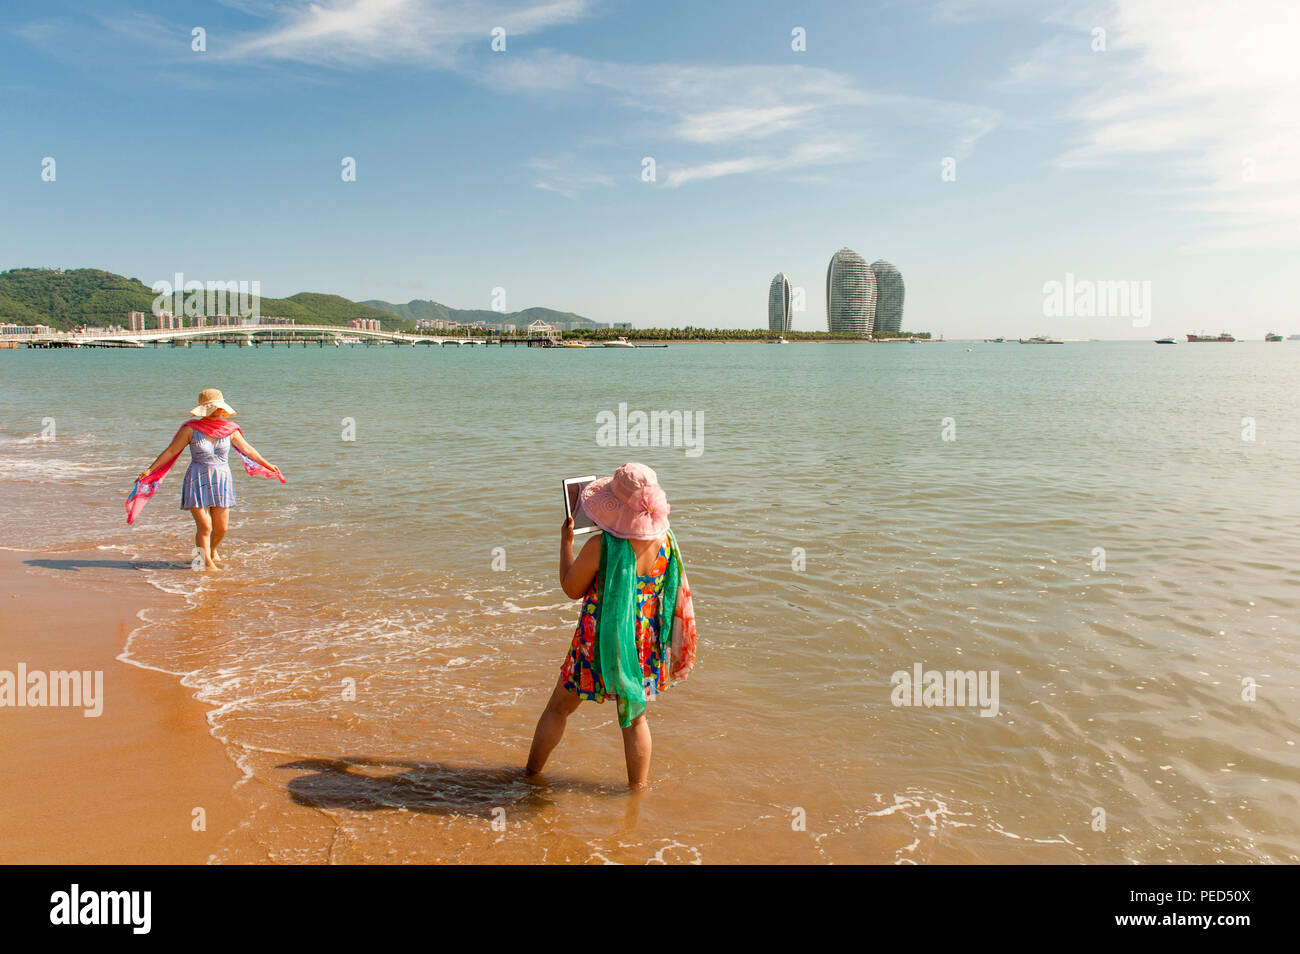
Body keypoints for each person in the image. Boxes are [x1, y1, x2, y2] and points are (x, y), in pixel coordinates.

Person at [526, 462, 697, 789]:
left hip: (597, 641)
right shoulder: (665, 540)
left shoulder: (600, 546)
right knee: (635, 719)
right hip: (641, 644)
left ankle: (529, 777)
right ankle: (637, 793)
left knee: (558, 709)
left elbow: (571, 588)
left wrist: (565, 544)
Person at [129, 388, 283, 570]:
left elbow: (248, 450)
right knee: (205, 527)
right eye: (215, 408)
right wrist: (150, 469)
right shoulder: (190, 429)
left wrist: (267, 464)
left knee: (222, 528)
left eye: (220, 408)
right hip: (196, 480)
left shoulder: (230, 430)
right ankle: (205, 563)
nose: (219, 412)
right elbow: (171, 451)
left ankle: (211, 550)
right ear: (205, 409)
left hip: (222, 481)